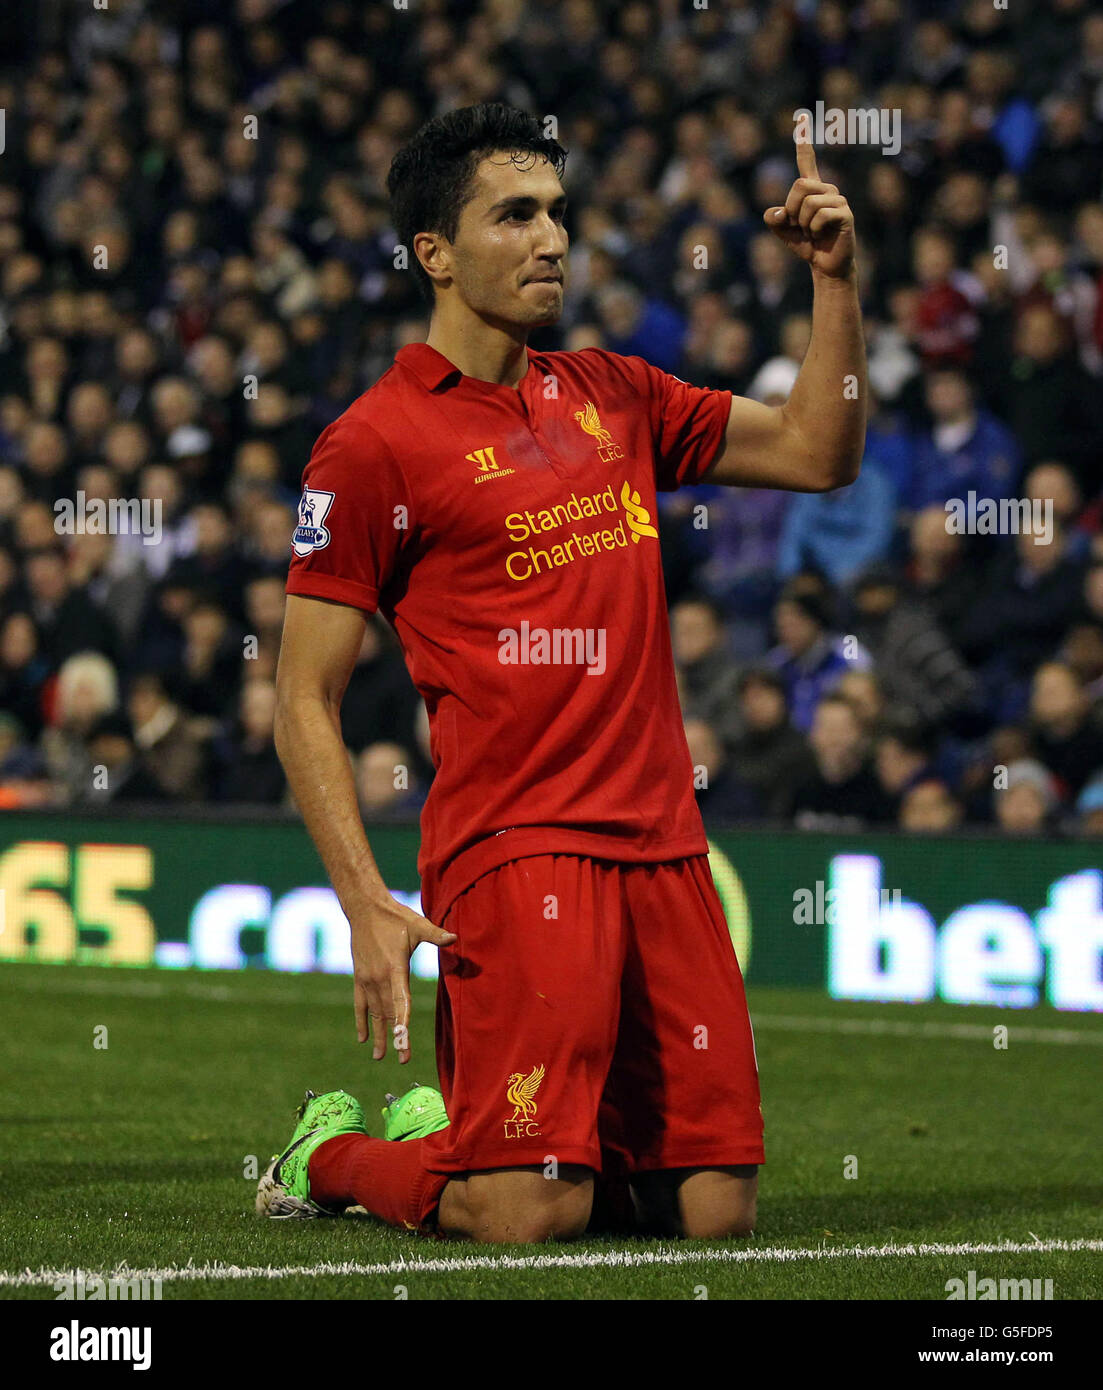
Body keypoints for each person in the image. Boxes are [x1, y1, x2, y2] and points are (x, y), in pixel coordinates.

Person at [261, 102, 866, 1243]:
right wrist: (363, 898)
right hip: (517, 843)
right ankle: (328, 1156)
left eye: (556, 213)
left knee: (713, 1214)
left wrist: (831, 283)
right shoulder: (373, 443)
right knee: (527, 1212)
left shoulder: (614, 393)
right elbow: (301, 695)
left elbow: (816, 450)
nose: (550, 239)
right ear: (435, 253)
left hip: (663, 841)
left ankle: (465, 1133)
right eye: (514, 216)